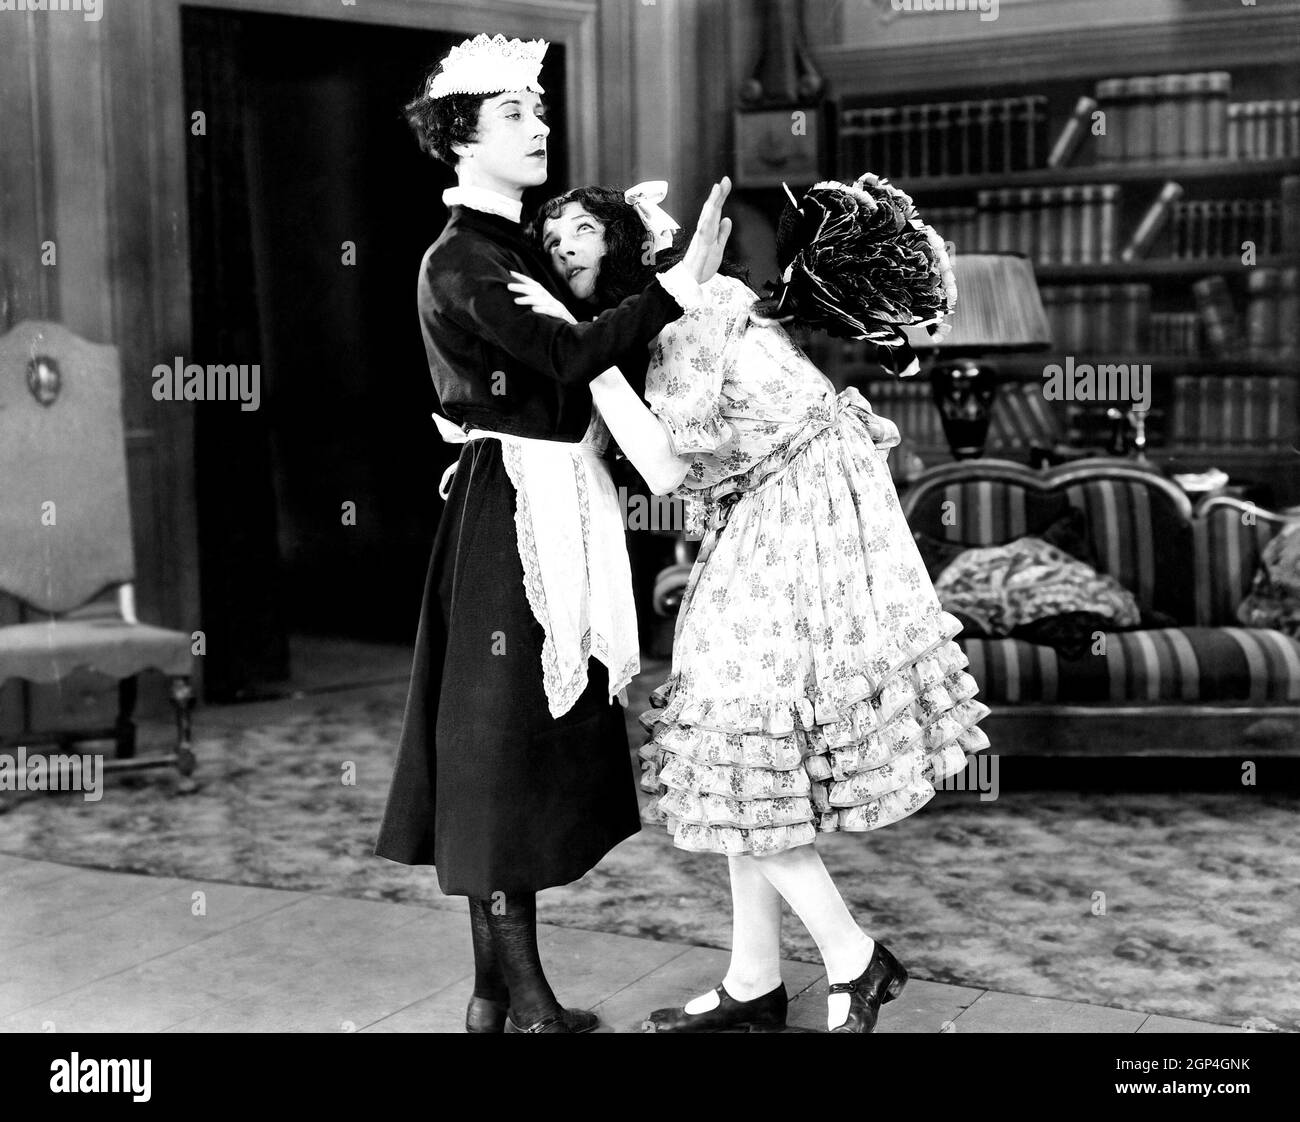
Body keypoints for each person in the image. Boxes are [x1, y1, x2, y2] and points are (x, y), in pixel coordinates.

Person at [510, 177, 989, 1032]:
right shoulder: (665, 320)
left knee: (737, 734)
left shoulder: (688, 312)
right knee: (739, 750)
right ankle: (753, 981)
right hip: (772, 512)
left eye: (577, 231)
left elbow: (661, 470)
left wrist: (570, 347)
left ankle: (853, 956)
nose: (563, 251)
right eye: (549, 246)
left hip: (801, 515)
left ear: (621, 237)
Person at [373, 35, 732, 1034]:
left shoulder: (510, 246)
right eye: (515, 118)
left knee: (517, 748)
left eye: (540, 112)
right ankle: (525, 1003)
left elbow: (584, 346)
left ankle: (495, 998)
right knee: (496, 757)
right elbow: (568, 354)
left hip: (542, 495)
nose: (540, 130)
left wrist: (649, 279)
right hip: (509, 516)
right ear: (458, 140)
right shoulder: (464, 259)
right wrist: (678, 281)